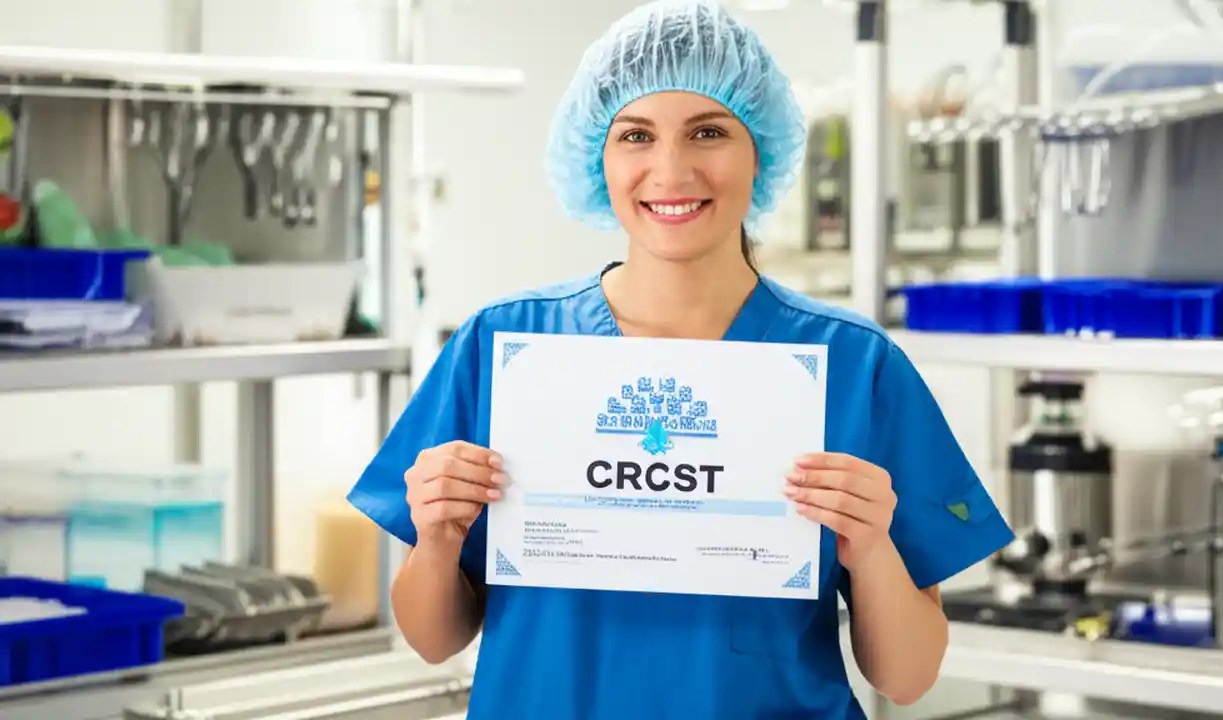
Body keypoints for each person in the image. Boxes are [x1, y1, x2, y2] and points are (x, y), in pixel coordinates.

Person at [346, 1, 1014, 717]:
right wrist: (438, 539)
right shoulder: (503, 350)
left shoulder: (853, 367)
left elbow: (908, 678)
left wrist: (873, 548)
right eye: (636, 135)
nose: (670, 169)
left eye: (708, 132)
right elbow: (433, 637)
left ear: (760, 147)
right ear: (598, 157)